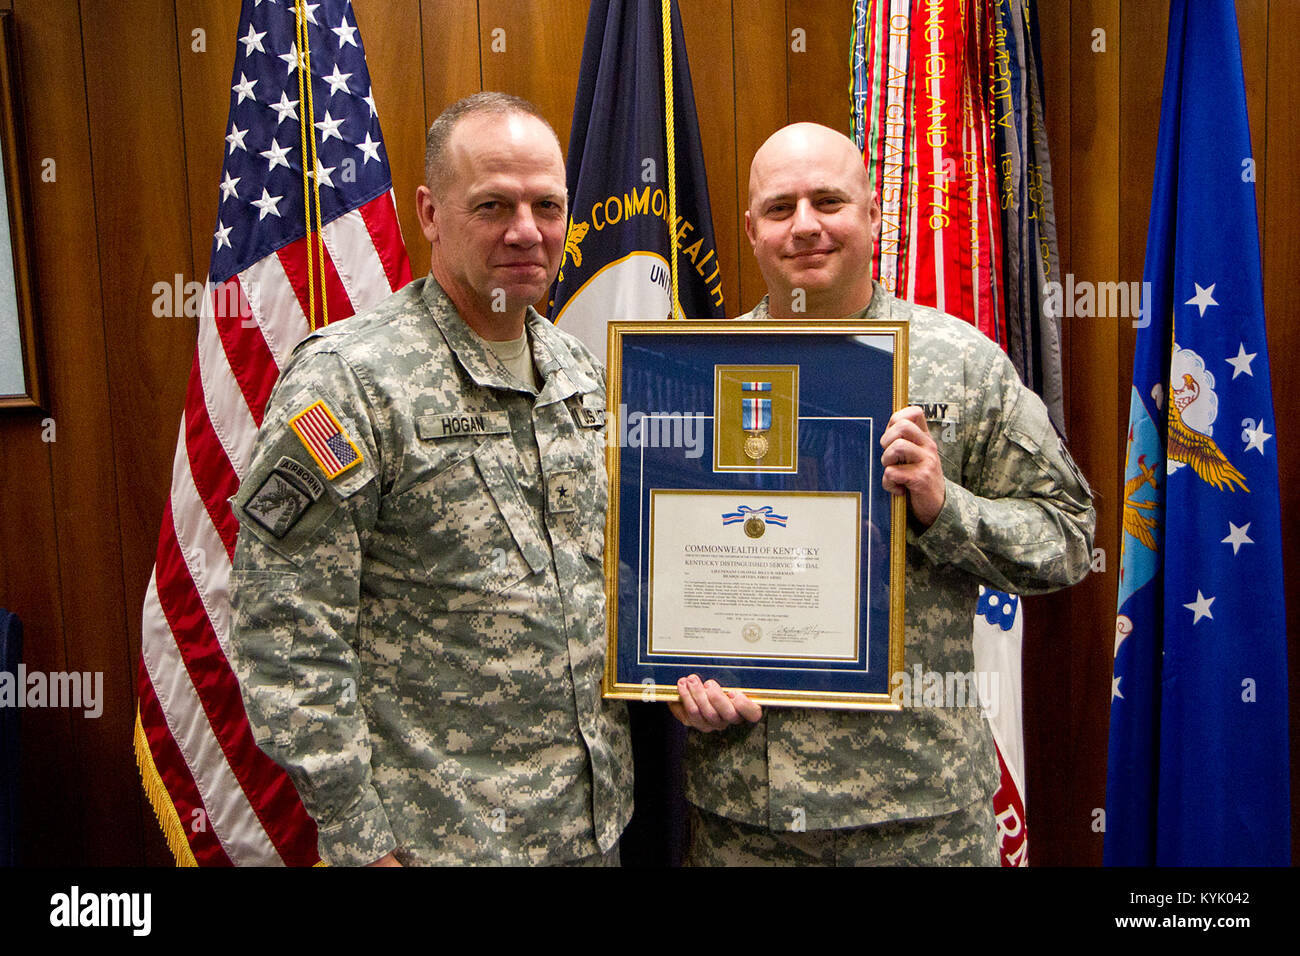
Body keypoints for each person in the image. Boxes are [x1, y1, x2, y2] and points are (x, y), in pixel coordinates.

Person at [670, 122, 1095, 865]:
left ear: (873, 216)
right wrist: (671, 679)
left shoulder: (963, 365)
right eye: (780, 209)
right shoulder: (692, 374)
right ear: (751, 230)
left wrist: (943, 506)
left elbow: (1069, 540)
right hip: (748, 818)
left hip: (918, 815)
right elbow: (648, 574)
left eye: (829, 201)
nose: (805, 225)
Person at [227, 93, 633, 866]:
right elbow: (287, 633)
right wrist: (359, 838)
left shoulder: (576, 374)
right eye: (493, 204)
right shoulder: (348, 383)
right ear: (430, 211)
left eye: (548, 204)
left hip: (588, 827)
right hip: (437, 842)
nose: (526, 230)